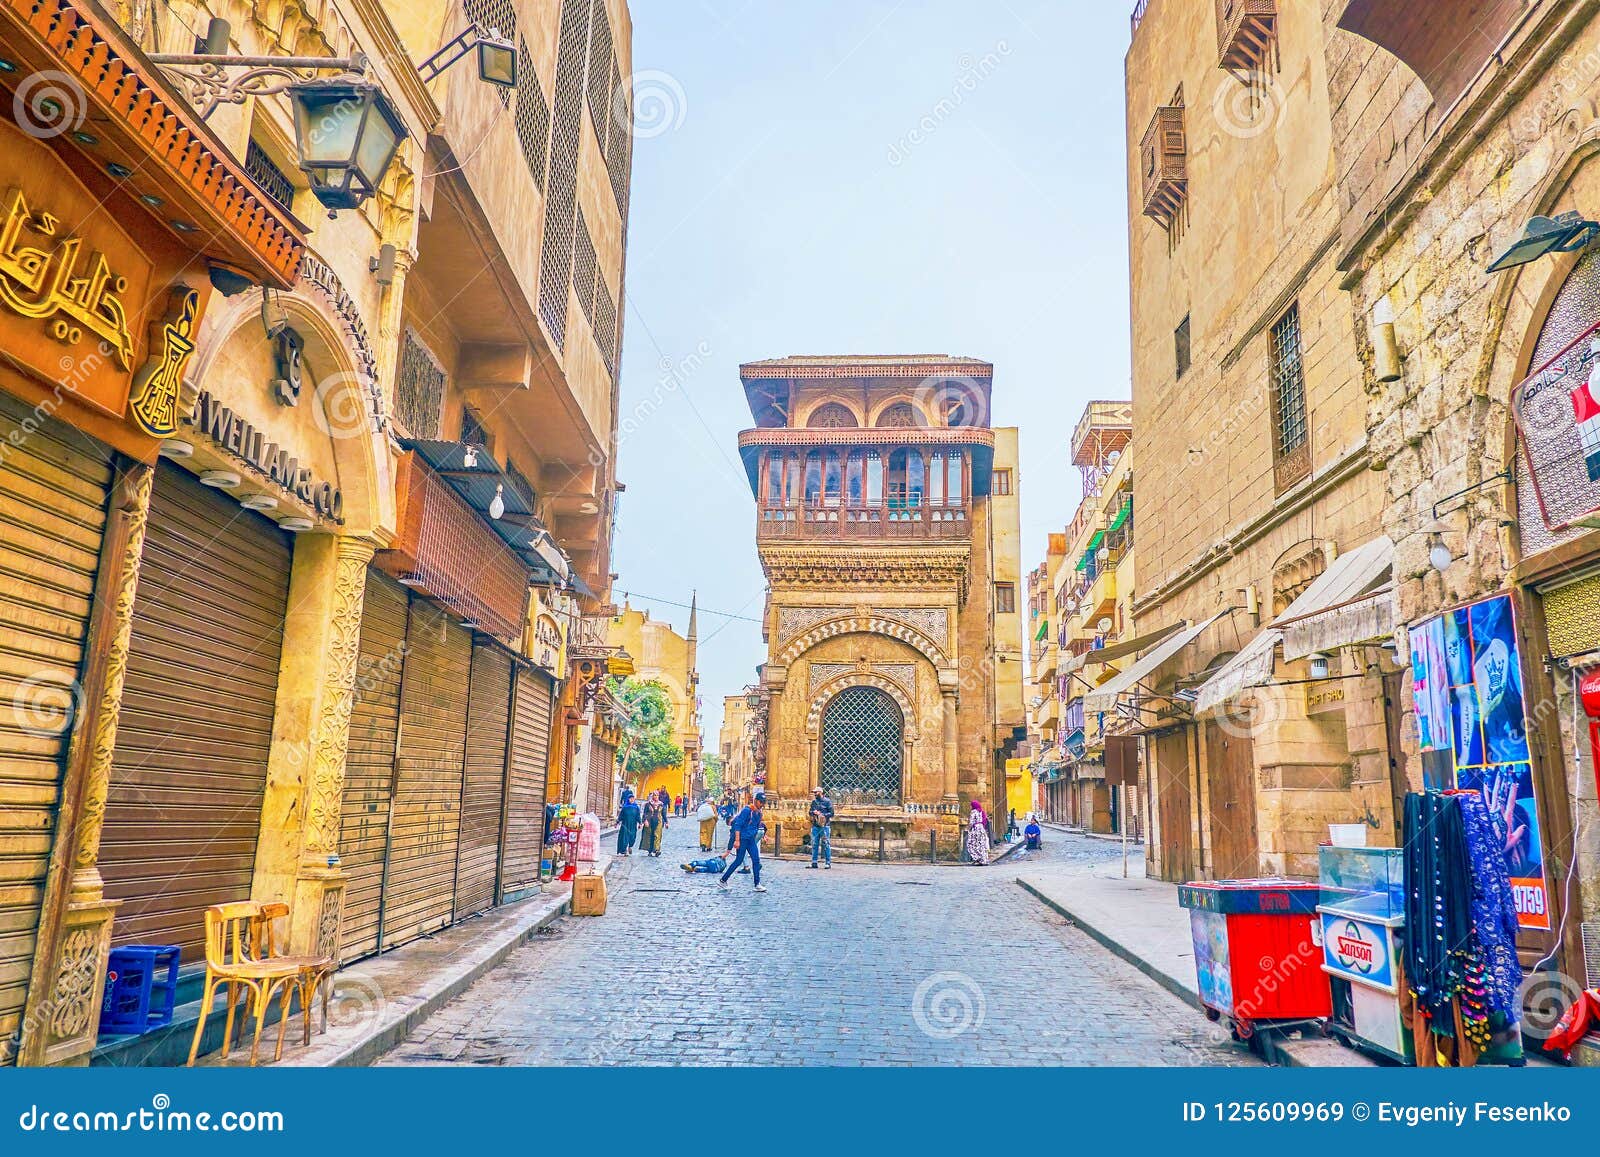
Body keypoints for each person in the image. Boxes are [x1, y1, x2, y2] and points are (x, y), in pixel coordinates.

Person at [720, 791, 768, 892]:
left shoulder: (759, 813)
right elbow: (738, 825)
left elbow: (758, 825)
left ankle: (757, 884)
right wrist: (737, 840)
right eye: (761, 802)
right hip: (742, 839)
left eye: (763, 802)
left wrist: (764, 835)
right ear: (755, 801)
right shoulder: (746, 811)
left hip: (750, 840)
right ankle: (723, 880)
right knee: (738, 861)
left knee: (756, 860)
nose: (762, 804)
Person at [807, 786, 835, 869]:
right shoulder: (814, 802)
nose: (815, 794)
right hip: (815, 825)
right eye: (814, 793)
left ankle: (828, 863)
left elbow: (832, 813)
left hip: (824, 826)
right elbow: (810, 812)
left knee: (826, 844)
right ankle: (814, 862)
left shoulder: (827, 801)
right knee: (815, 844)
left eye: (816, 792)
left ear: (821, 792)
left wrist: (822, 814)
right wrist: (813, 812)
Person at [966, 798, 991, 866]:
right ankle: (984, 860)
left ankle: (977, 858)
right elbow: (984, 820)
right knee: (981, 845)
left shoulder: (973, 812)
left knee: (970, 844)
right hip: (981, 828)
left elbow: (971, 822)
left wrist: (969, 829)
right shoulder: (981, 811)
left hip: (975, 829)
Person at [616, 791, 640, 856]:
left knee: (632, 837)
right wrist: (617, 822)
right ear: (628, 799)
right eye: (630, 798)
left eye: (633, 798)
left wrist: (640, 823)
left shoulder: (636, 807)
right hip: (625, 824)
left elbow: (638, 816)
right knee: (625, 838)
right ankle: (625, 851)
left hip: (633, 825)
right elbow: (621, 816)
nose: (631, 800)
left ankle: (630, 846)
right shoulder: (625, 807)